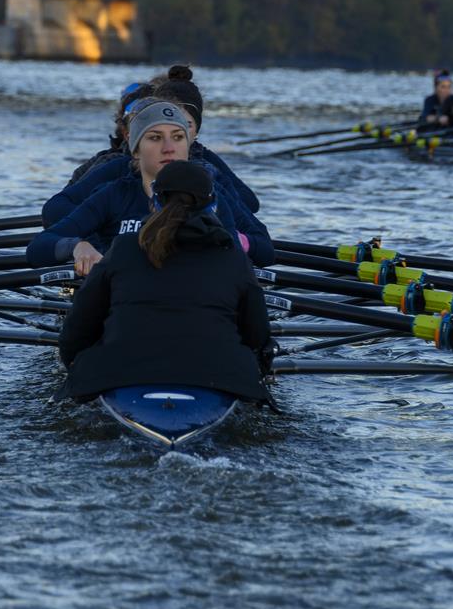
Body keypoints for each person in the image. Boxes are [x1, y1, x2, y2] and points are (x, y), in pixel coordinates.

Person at [54, 160, 273, 405]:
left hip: (118, 372)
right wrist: (259, 371)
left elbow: (78, 327)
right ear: (213, 205)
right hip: (222, 376)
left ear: (154, 202)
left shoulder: (123, 247)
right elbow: (258, 336)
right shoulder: (233, 256)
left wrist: (75, 368)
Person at [28, 100, 275, 272]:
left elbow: (265, 249)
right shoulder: (114, 194)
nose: (169, 148)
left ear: (188, 146)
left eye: (178, 138)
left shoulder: (211, 194)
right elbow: (38, 248)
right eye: (155, 138)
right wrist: (78, 246)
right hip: (123, 298)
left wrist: (232, 241)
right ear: (135, 150)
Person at [46, 66, 258, 223]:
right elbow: (57, 211)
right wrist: (84, 238)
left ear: (196, 131)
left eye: (180, 132)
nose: (169, 146)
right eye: (156, 135)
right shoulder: (114, 166)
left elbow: (249, 208)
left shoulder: (208, 171)